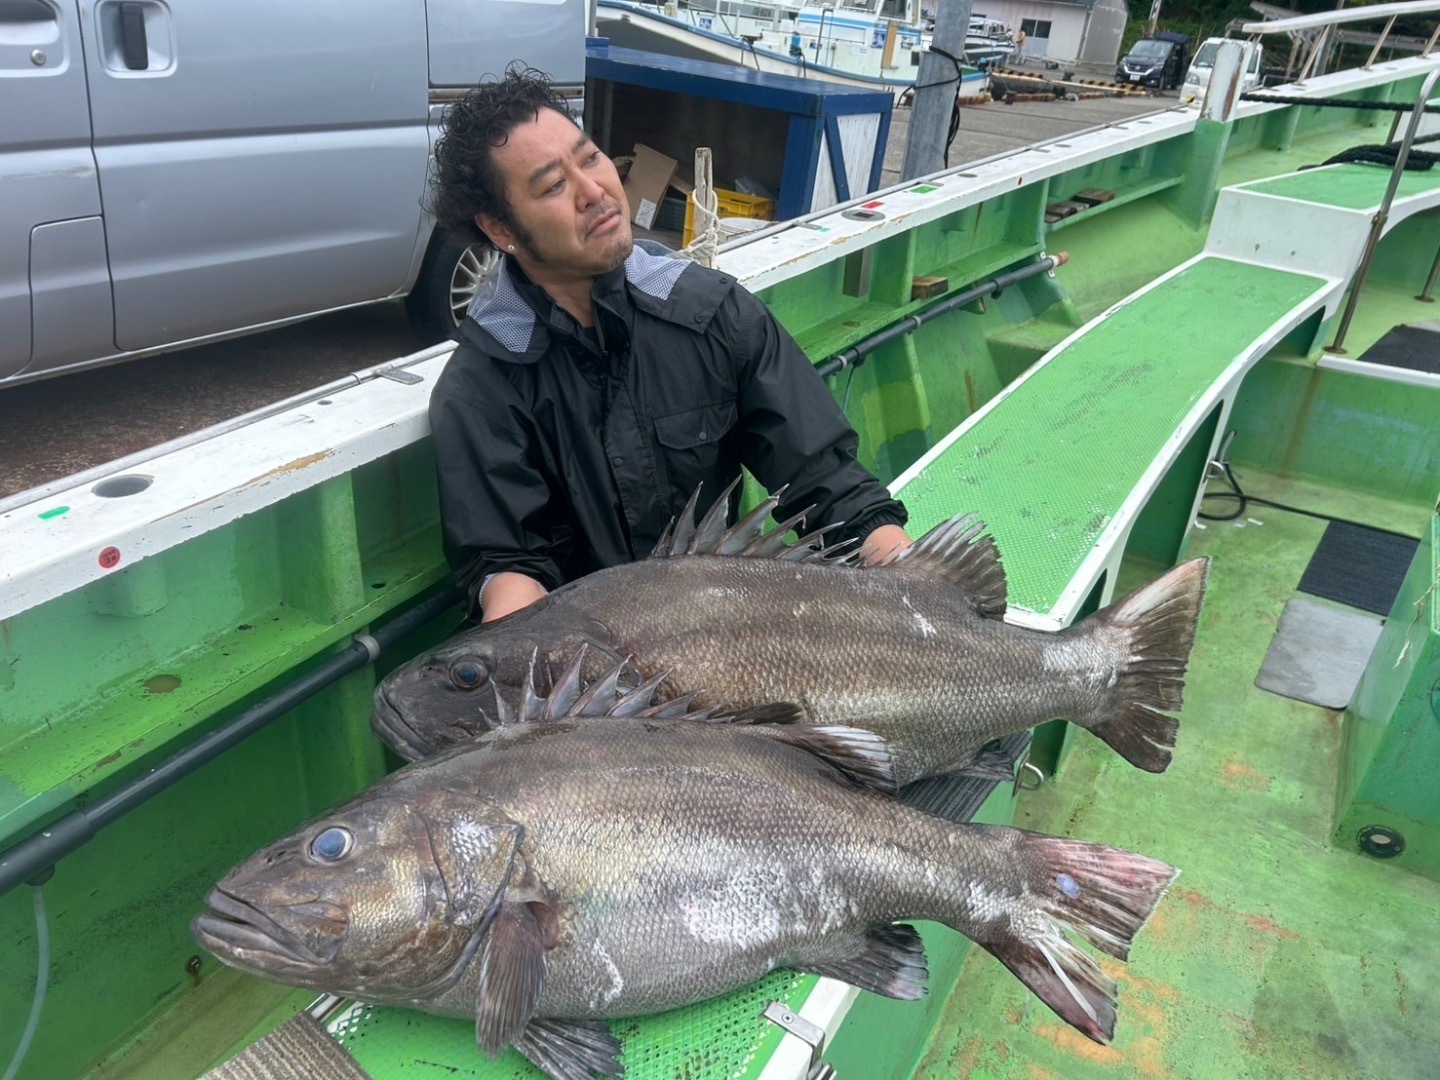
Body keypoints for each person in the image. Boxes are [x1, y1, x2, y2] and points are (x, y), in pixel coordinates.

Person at [426, 66, 911, 623]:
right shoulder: (480, 388)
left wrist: (916, 585)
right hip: (599, 664)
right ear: (498, 228)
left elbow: (824, 481)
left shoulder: (717, 313)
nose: (595, 192)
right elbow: (510, 565)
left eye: (589, 159)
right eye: (553, 186)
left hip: (728, 636)